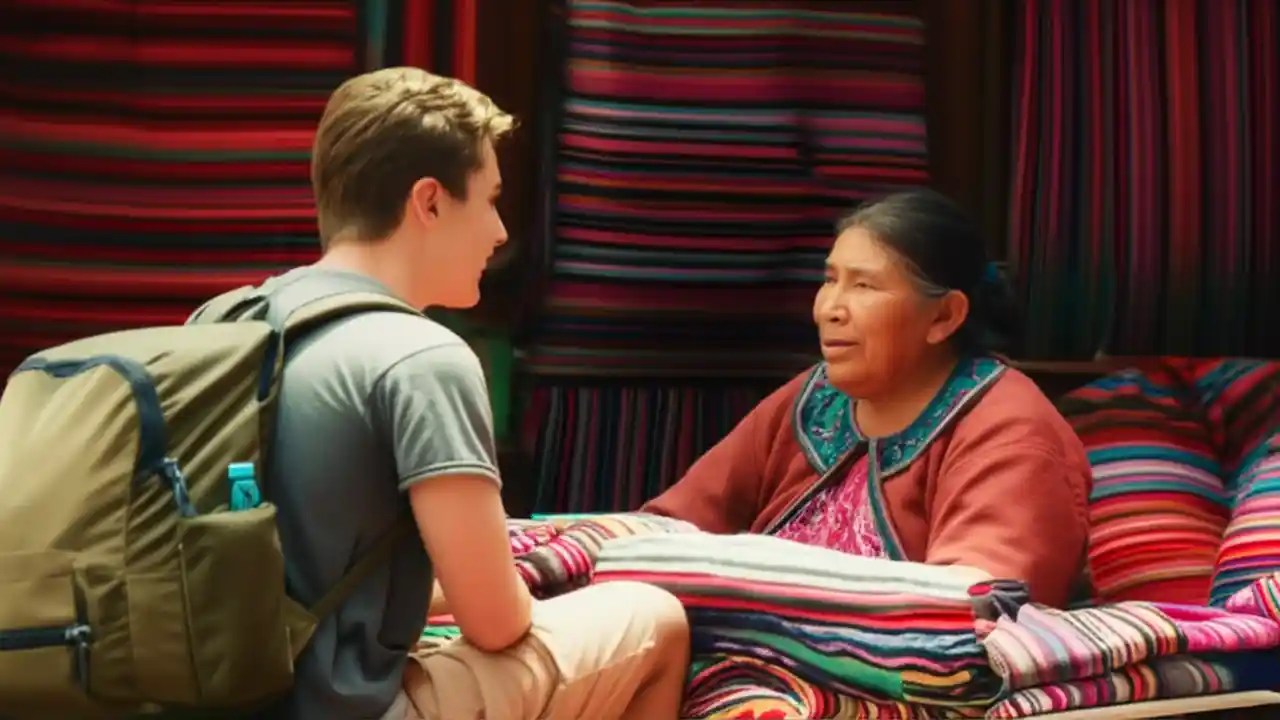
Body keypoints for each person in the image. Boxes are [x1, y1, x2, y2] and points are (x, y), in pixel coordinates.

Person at [220, 68, 689, 720]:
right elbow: (495, 623)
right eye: (491, 199)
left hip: (211, 691)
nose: (499, 231)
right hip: (341, 707)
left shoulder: (226, 321)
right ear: (430, 202)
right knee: (655, 618)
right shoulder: (423, 358)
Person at [643, 189, 1092, 608]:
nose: (830, 309)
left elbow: (978, 602)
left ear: (943, 315)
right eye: (830, 279)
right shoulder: (812, 397)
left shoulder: (1008, 427)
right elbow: (674, 523)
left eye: (864, 287)